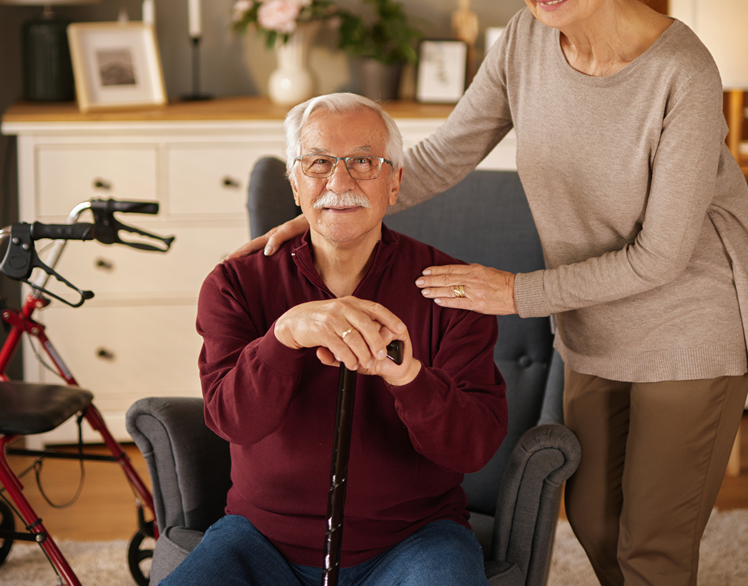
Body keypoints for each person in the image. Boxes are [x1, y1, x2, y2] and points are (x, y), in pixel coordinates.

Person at [233, 0, 748, 586]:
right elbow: (440, 156)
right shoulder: (525, 42)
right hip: (596, 318)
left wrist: (514, 293)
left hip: (692, 316)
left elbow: (662, 257)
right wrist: (333, 207)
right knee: (593, 519)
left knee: (652, 542)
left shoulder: (682, 71)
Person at [169, 92, 507, 586]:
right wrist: (283, 336)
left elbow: (473, 448)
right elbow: (231, 419)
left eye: (363, 162)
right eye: (319, 163)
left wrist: (410, 378)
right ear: (294, 182)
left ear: (395, 183)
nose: (340, 181)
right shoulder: (235, 284)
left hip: (417, 539)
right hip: (260, 539)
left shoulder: (451, 291)